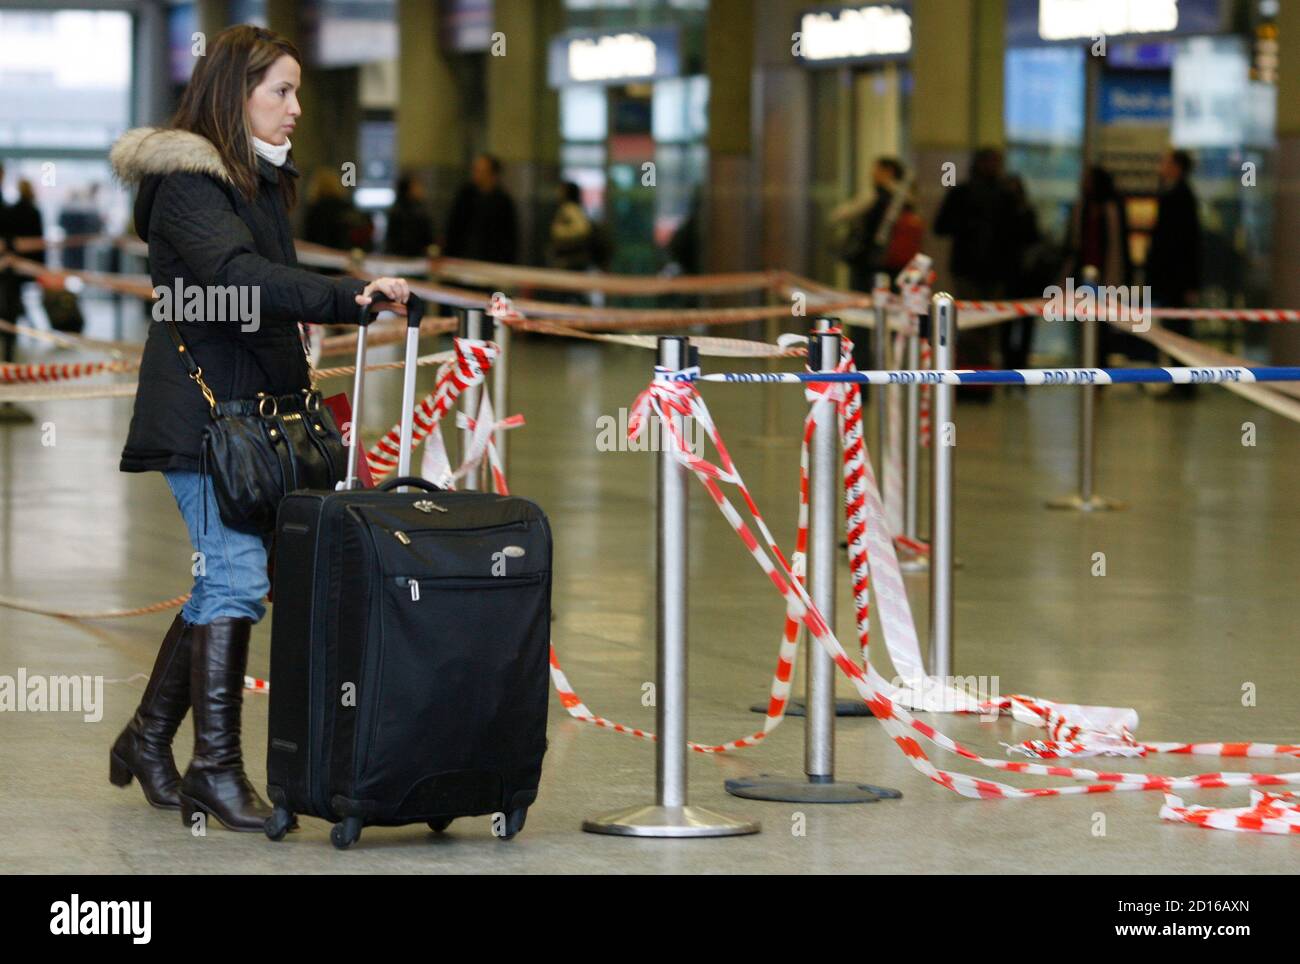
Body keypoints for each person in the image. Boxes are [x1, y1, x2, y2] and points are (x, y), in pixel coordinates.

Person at [107, 24, 413, 832]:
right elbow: (239, 284)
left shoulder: (255, 180)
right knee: (236, 581)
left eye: (298, 90)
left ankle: (146, 739)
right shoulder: (189, 185)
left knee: (224, 581)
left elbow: (264, 295)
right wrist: (347, 296)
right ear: (233, 92)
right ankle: (213, 769)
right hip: (204, 420)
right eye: (281, 90)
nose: (297, 108)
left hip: (249, 422)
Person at [934, 148, 1015, 387]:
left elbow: (1017, 234)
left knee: (988, 327)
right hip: (968, 269)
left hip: (994, 270)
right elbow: (942, 226)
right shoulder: (962, 194)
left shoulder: (1005, 195)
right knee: (970, 325)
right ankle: (972, 378)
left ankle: (983, 379)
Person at [1145, 148, 1202, 398]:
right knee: (1171, 332)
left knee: (1179, 333)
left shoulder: (1182, 197)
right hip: (1169, 280)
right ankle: (1179, 382)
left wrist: (1191, 284)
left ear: (1177, 167)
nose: (1162, 167)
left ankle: (1184, 384)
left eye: (1166, 162)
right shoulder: (1170, 193)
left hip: (1176, 281)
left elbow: (1189, 244)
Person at [1068, 165, 1132, 363]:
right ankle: (1085, 366)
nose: (1083, 184)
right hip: (1082, 277)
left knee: (1103, 327)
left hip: (1107, 277)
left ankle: (1099, 372)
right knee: (1081, 323)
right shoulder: (1081, 208)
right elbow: (1073, 245)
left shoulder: (1113, 208)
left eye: (1087, 180)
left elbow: (1120, 246)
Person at [444, 153, 518, 264]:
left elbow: (509, 236)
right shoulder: (465, 195)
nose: (476, 174)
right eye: (475, 170)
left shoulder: (502, 200)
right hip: (464, 257)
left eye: (481, 170)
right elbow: (454, 227)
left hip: (492, 259)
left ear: (492, 174)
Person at [384, 173, 436, 258]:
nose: (421, 190)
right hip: (404, 257)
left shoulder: (420, 209)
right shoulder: (400, 212)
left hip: (417, 257)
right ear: (408, 189)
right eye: (417, 186)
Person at [548, 181, 593, 271]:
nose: (558, 193)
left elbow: (582, 229)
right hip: (569, 257)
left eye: (561, 190)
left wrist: (559, 233)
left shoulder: (570, 208)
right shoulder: (570, 208)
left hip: (570, 258)